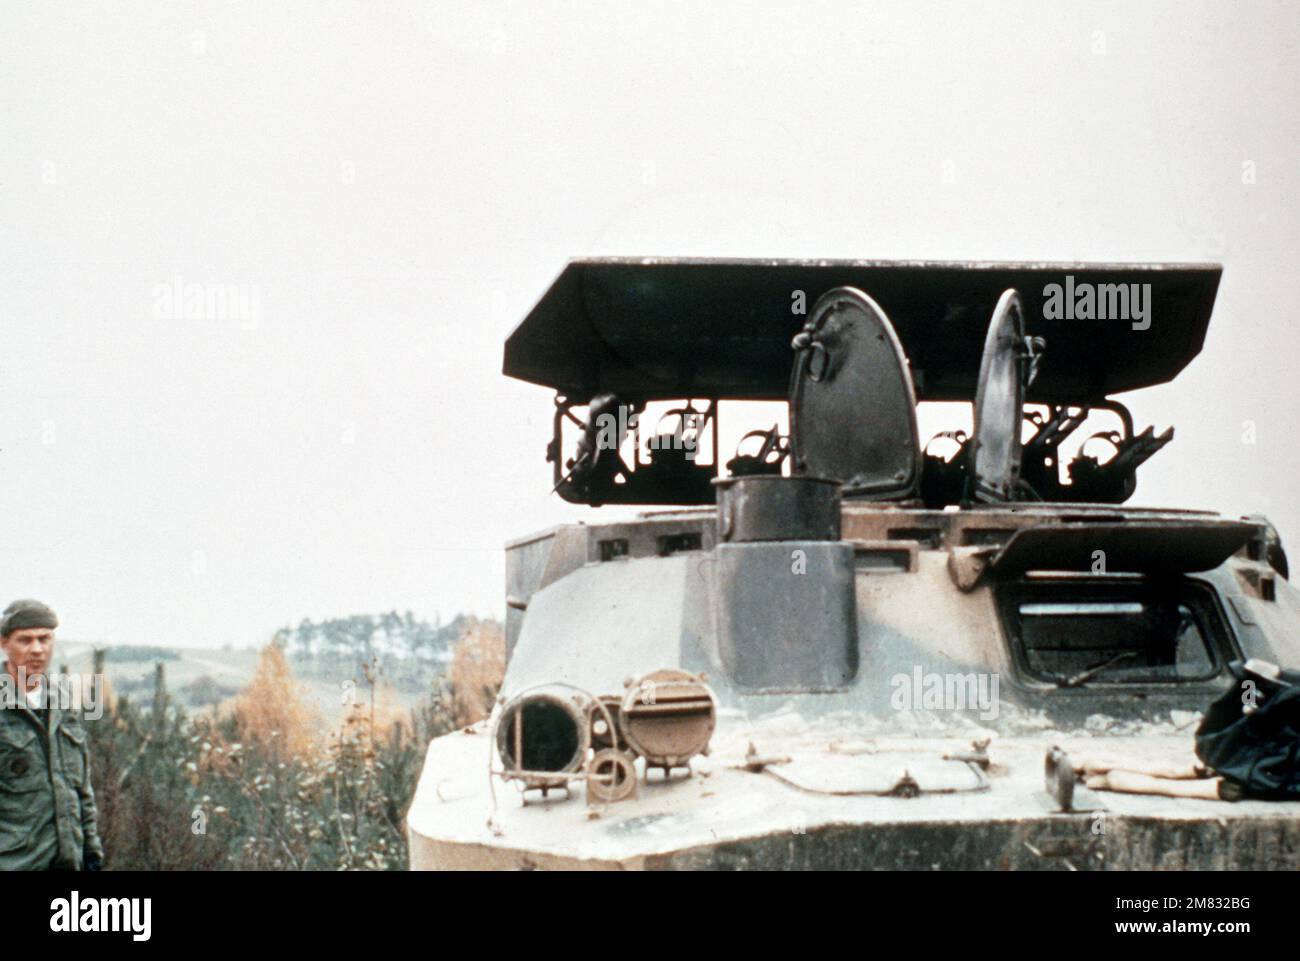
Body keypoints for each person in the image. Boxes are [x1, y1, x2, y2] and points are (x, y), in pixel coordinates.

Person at [0, 599, 104, 870]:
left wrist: (92, 854)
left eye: (44, 639)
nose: (37, 649)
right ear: (4, 643)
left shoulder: (63, 704)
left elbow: (81, 791)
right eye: (25, 640)